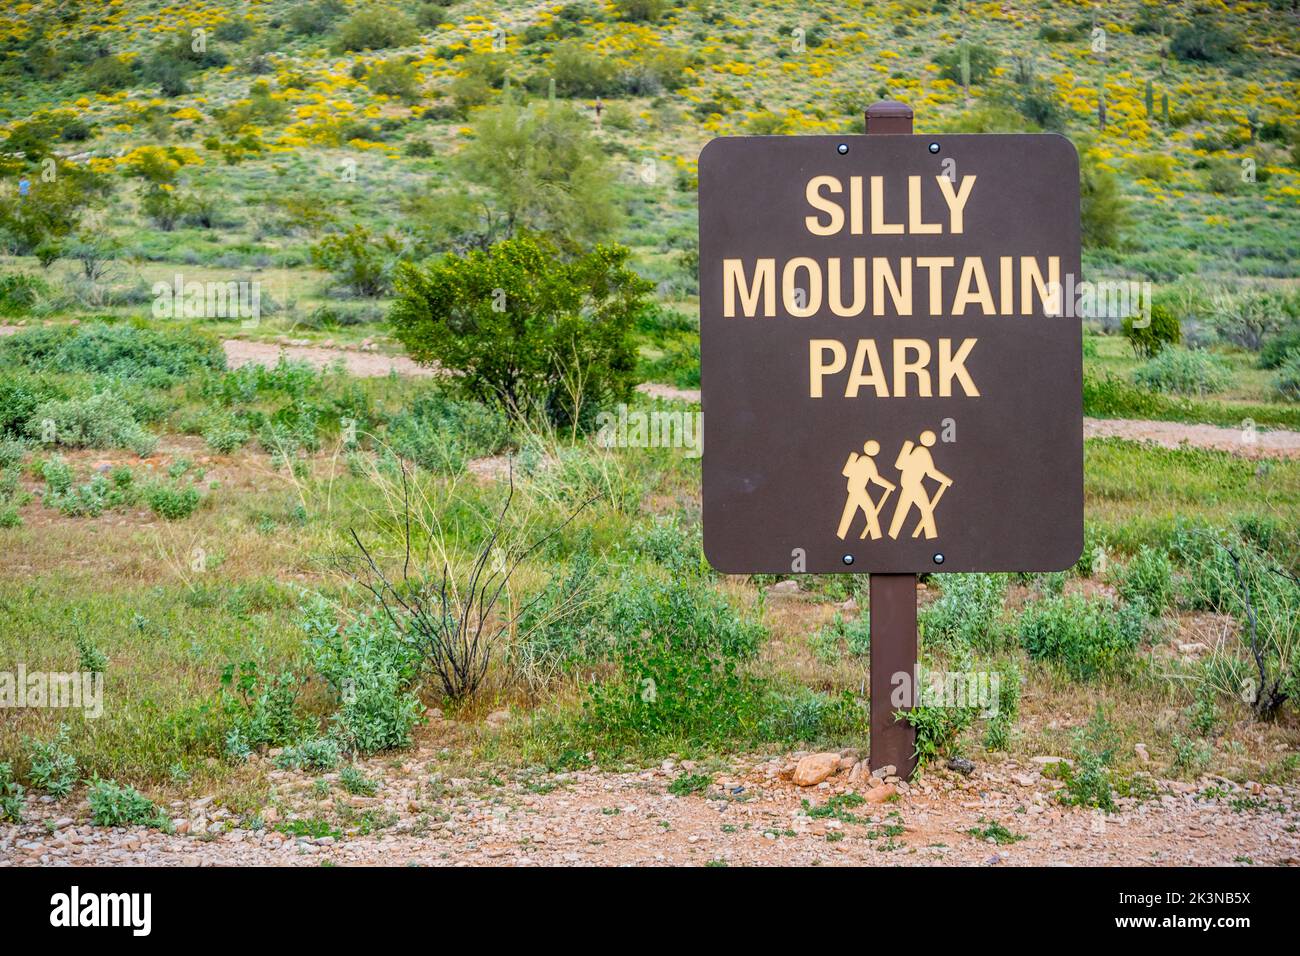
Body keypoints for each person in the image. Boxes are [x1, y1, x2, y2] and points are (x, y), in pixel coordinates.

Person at [887, 430, 952, 540]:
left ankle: (893, 533)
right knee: (925, 509)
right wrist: (945, 480)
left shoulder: (915, 451)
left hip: (907, 485)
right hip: (913, 485)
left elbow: (901, 466)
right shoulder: (923, 453)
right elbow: (930, 472)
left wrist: (944, 480)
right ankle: (931, 534)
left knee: (902, 510)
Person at [836, 439, 895, 541]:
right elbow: (875, 479)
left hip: (853, 488)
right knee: (870, 510)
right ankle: (876, 535)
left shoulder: (860, 459)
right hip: (858, 490)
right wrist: (889, 486)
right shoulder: (867, 461)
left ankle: (841, 534)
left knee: (849, 512)